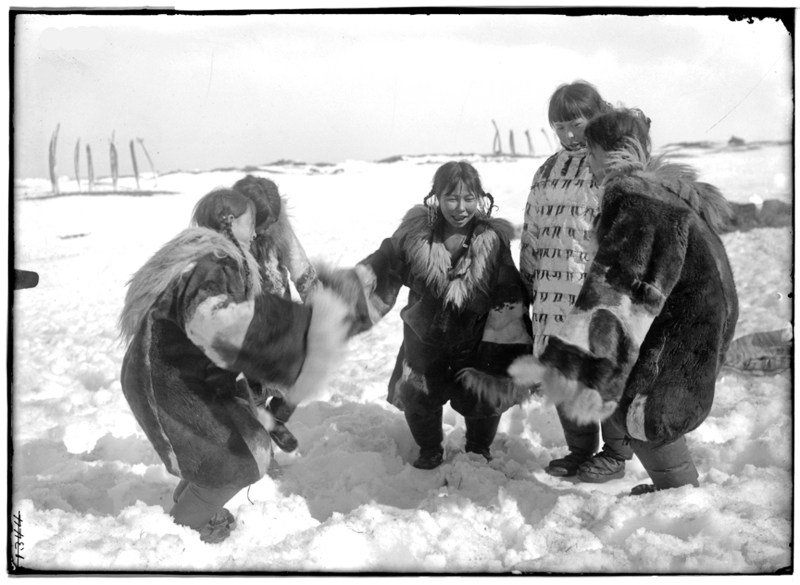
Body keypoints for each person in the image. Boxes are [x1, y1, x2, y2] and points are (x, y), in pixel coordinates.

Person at [510, 108, 739, 495]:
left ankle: (681, 495)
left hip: (682, 327)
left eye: (593, 154)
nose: (590, 165)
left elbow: (622, 286)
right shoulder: (654, 189)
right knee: (646, 404)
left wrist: (572, 360)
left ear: (612, 152)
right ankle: (677, 490)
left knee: (648, 408)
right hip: (697, 318)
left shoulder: (634, 198)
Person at [119, 188, 349, 542]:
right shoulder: (215, 262)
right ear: (229, 221)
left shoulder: (209, 255)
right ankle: (183, 530)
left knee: (220, 445)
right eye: (250, 223)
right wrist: (277, 334)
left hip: (174, 374)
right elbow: (212, 320)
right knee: (236, 458)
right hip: (167, 381)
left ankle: (195, 505)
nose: (255, 233)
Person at [318, 161, 533, 470]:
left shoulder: (492, 239)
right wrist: (343, 290)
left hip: (475, 337)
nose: (460, 208)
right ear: (436, 197)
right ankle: (430, 448)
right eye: (451, 198)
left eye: (469, 198)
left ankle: (478, 447)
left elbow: (507, 288)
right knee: (418, 396)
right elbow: (382, 267)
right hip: (424, 338)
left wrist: (510, 339)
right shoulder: (414, 236)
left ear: (480, 199)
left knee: (484, 394)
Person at [519, 80, 633, 483]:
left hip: (599, 289)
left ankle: (615, 454)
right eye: (560, 127)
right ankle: (579, 450)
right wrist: (527, 280)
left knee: (605, 369)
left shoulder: (611, 165)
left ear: (597, 116)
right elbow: (532, 227)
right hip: (552, 293)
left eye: (576, 124)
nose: (568, 134)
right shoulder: (546, 169)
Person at [231, 175, 321, 454]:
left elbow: (300, 268)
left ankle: (277, 418)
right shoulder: (228, 239)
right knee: (250, 390)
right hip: (243, 327)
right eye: (260, 226)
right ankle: (262, 446)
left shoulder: (281, 232)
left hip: (279, 321)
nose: (264, 232)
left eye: (271, 225)